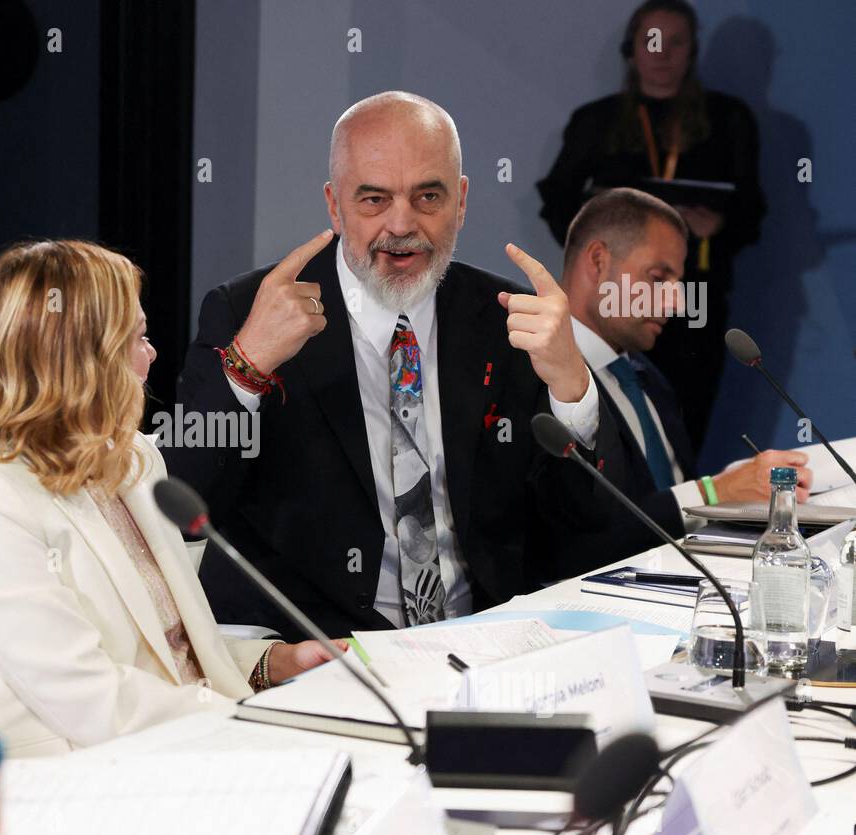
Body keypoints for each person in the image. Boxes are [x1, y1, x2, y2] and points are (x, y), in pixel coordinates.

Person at [164, 91, 630, 639]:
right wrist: (247, 365)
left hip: (482, 640)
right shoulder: (248, 312)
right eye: (374, 200)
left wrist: (571, 387)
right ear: (335, 205)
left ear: (460, 201)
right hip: (313, 651)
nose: (402, 224)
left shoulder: (509, 320)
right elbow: (182, 505)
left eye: (427, 196)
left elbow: (592, 524)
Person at [0, 239, 342, 757]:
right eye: (138, 338)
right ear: (80, 359)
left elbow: (169, 650)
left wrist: (270, 664)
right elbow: (91, 699)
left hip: (188, 748)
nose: (152, 354)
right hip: (86, 785)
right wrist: (250, 723)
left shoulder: (130, 461)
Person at [536, 0, 765, 455]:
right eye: (651, 41)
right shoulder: (596, 120)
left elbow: (753, 212)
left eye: (676, 42)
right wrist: (605, 247)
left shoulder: (729, 120)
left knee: (681, 426)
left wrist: (716, 224)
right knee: (600, 424)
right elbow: (557, 198)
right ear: (631, 50)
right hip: (609, 297)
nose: (662, 53)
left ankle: (674, 508)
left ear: (693, 50)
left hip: (693, 299)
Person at [546, 187, 810, 576]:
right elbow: (569, 545)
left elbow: (673, 514)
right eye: (658, 277)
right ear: (599, 261)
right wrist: (712, 493)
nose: (676, 303)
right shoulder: (534, 378)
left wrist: (739, 496)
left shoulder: (652, 382)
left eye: (678, 282)